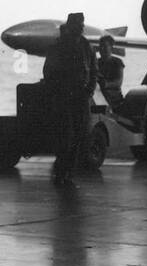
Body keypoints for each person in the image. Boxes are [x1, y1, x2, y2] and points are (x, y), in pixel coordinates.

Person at [43, 13, 96, 187]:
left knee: (80, 136)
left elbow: (93, 69)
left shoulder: (85, 45)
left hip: (80, 97)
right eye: (79, 24)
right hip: (64, 98)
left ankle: (68, 173)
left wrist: (89, 90)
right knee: (65, 137)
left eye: (82, 24)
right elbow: (49, 72)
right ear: (71, 25)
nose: (82, 27)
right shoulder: (59, 46)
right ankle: (61, 173)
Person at [97, 34, 126, 112]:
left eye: (105, 46)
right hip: (99, 97)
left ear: (111, 48)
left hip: (114, 99)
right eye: (100, 46)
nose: (102, 49)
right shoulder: (96, 62)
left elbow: (118, 82)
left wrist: (106, 84)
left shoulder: (118, 62)